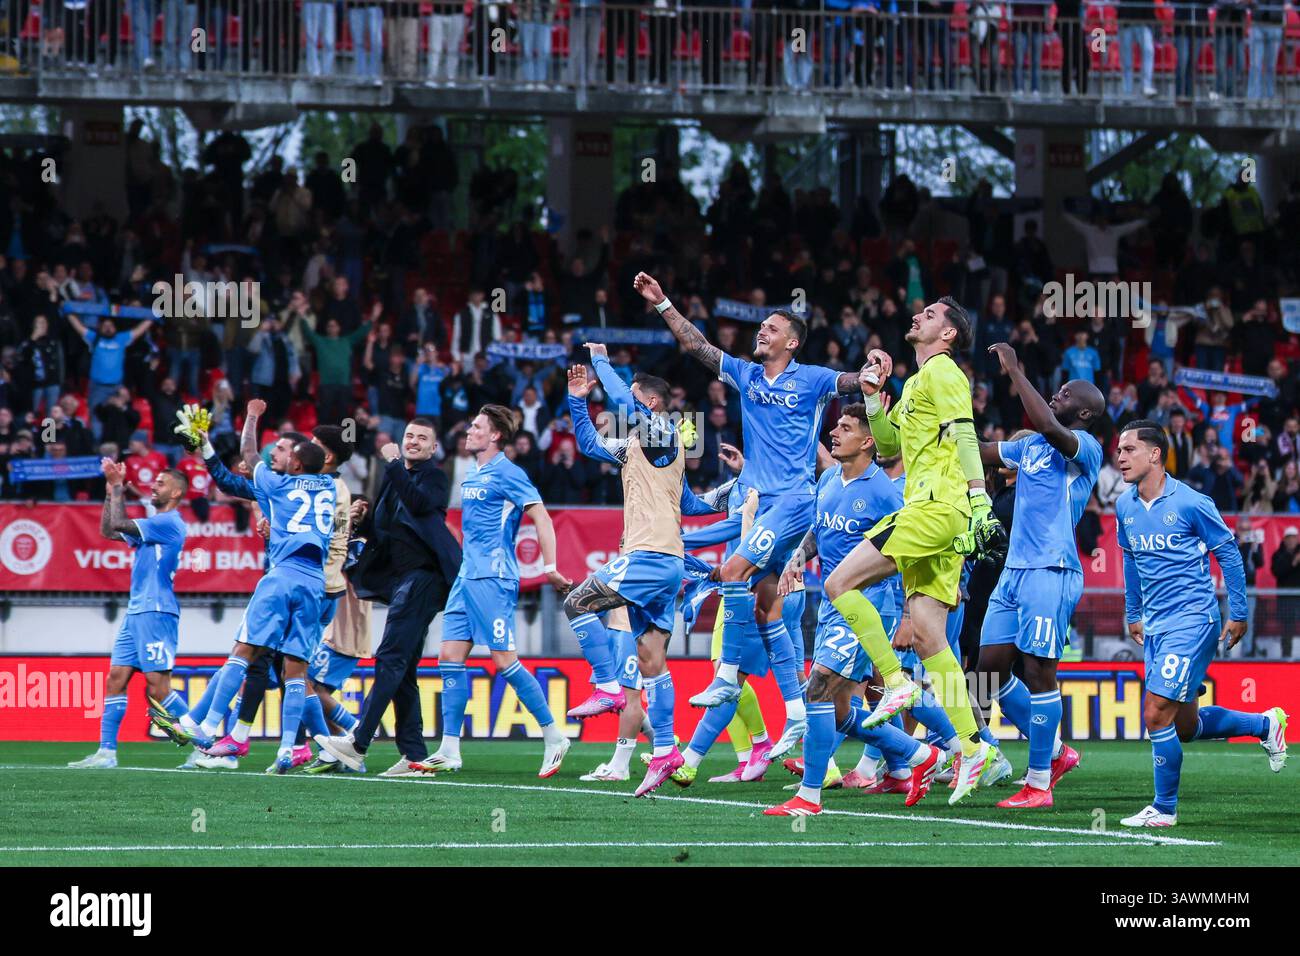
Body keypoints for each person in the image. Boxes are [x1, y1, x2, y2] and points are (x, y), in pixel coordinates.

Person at [631, 272, 865, 764]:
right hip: (761, 500)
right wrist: (663, 303)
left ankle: (725, 677)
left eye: (773, 329)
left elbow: (851, 382)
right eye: (763, 328)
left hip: (794, 500)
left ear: (793, 342)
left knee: (733, 570)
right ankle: (798, 711)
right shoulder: (748, 374)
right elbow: (697, 346)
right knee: (763, 605)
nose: (763, 332)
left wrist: (874, 369)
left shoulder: (815, 379)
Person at [822, 297, 1007, 806]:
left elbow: (966, 431)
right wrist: (876, 395)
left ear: (947, 334)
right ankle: (974, 747)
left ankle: (896, 683)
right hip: (937, 515)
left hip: (933, 508)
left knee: (838, 583)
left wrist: (977, 495)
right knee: (928, 636)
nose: (917, 317)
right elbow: (886, 449)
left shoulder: (946, 371)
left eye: (929, 315)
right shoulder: (917, 382)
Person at [765, 405, 945, 816]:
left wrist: (902, 613)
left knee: (818, 688)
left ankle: (810, 796)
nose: (834, 432)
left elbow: (906, 552)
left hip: (869, 604)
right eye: (836, 426)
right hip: (831, 602)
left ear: (868, 441)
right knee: (844, 709)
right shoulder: (828, 479)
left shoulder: (885, 491)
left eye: (845, 428)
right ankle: (918, 757)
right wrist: (797, 557)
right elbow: (818, 528)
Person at [1114, 420, 1288, 827]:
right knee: (1185, 726)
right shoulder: (1125, 505)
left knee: (1156, 714)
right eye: (1119, 450)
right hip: (1155, 625)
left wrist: (1239, 613)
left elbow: (1228, 554)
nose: (1120, 457)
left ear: (1155, 455)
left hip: (1193, 620)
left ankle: (1164, 808)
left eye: (1128, 449)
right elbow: (1130, 561)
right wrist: (1133, 611)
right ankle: (1266, 724)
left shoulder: (1191, 502)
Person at [149, 400, 336, 775]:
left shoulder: (277, 482)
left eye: (283, 449)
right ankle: (288, 748)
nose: (274, 453)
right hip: (316, 582)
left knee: (245, 651)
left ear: (295, 462)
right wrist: (204, 447)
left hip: (282, 577)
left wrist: (251, 415)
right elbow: (235, 479)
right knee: (296, 670)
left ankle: (208, 728)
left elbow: (250, 455)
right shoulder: (331, 485)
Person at [974, 342, 1105, 809]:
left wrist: (1014, 369)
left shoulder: (1086, 448)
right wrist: (938, 427)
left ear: (1085, 413)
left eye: (1067, 393)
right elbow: (982, 452)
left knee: (1038, 671)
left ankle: (1038, 783)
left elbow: (1049, 425)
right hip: (1013, 572)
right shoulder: (1028, 446)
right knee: (986, 672)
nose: (1058, 395)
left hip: (1052, 569)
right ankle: (1055, 751)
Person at [559, 350, 694, 796]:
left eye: (636, 398)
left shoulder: (660, 433)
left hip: (649, 556)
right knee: (652, 661)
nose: (628, 406)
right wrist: (578, 401)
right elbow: (589, 445)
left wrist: (601, 363)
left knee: (576, 601)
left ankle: (607, 686)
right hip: (666, 561)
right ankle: (666, 750)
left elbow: (622, 403)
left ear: (649, 404)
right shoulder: (643, 447)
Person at [413, 405, 573, 777]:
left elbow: (542, 517)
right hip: (466, 579)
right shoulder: (472, 473)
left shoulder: (508, 473)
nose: (469, 431)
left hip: (494, 578)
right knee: (449, 656)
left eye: (477, 426)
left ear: (495, 435)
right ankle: (450, 749)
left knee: (504, 662)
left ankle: (553, 735)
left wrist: (549, 567)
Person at [314, 418, 463, 775]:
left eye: (422, 438)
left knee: (390, 660)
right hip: (403, 582)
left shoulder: (433, 477)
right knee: (403, 668)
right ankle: (414, 755)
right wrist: (363, 518)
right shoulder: (395, 478)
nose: (413, 441)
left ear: (433, 448)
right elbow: (386, 532)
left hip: (423, 580)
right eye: (409, 435)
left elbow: (419, 504)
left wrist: (394, 465)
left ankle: (358, 742)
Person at [67, 460, 189, 769]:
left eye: (160, 483)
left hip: (157, 610)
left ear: (175, 492)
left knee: (157, 687)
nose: (153, 486)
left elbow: (120, 523)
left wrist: (119, 486)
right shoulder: (154, 524)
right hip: (136, 611)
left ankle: (204, 744)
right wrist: (111, 491)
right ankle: (106, 753)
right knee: (116, 678)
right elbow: (109, 530)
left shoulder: (169, 522)